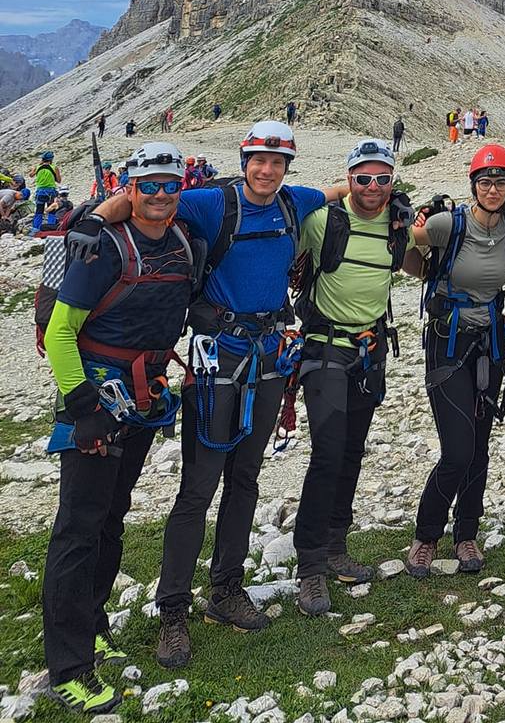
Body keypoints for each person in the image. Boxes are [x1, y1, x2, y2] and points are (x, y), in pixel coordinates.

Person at [95, 120, 344, 666]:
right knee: (198, 486)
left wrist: (373, 185)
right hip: (217, 359)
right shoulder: (211, 203)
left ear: (286, 168)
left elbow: (334, 190)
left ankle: (226, 590)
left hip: (269, 355)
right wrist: (91, 220)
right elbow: (144, 203)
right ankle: (173, 610)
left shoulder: (292, 203)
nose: (267, 170)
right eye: (259, 160)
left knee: (246, 478)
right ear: (244, 159)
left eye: (277, 163)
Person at [40, 143, 195, 714]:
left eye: (168, 185)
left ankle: (92, 621)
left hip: (143, 396)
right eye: (147, 184)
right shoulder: (100, 247)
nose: (159, 195)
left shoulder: (182, 240)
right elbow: (60, 332)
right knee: (79, 526)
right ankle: (68, 666)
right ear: (128, 188)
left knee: (111, 515)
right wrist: (84, 409)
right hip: (96, 396)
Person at [291, 140, 412, 615]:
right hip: (323, 349)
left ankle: (337, 547)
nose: (373, 187)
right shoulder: (324, 221)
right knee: (327, 452)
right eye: (362, 177)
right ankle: (310, 568)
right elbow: (283, 218)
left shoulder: (397, 226)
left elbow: (422, 252)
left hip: (370, 351)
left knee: (351, 452)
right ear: (349, 179)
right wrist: (335, 190)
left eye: (383, 178)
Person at [404, 144, 505, 578]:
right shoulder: (446, 224)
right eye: (485, 181)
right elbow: (405, 252)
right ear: (473, 185)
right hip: (446, 340)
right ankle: (426, 535)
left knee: (480, 446)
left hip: (491, 341)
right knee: (458, 448)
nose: (493, 189)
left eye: (500, 181)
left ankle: (467, 534)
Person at [32, 151, 62, 234]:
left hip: (40, 191)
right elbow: (59, 180)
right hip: (50, 191)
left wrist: (39, 165)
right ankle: (51, 229)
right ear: (51, 159)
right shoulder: (54, 167)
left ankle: (35, 230)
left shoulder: (37, 167)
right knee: (51, 211)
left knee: (39, 211)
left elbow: (31, 175)